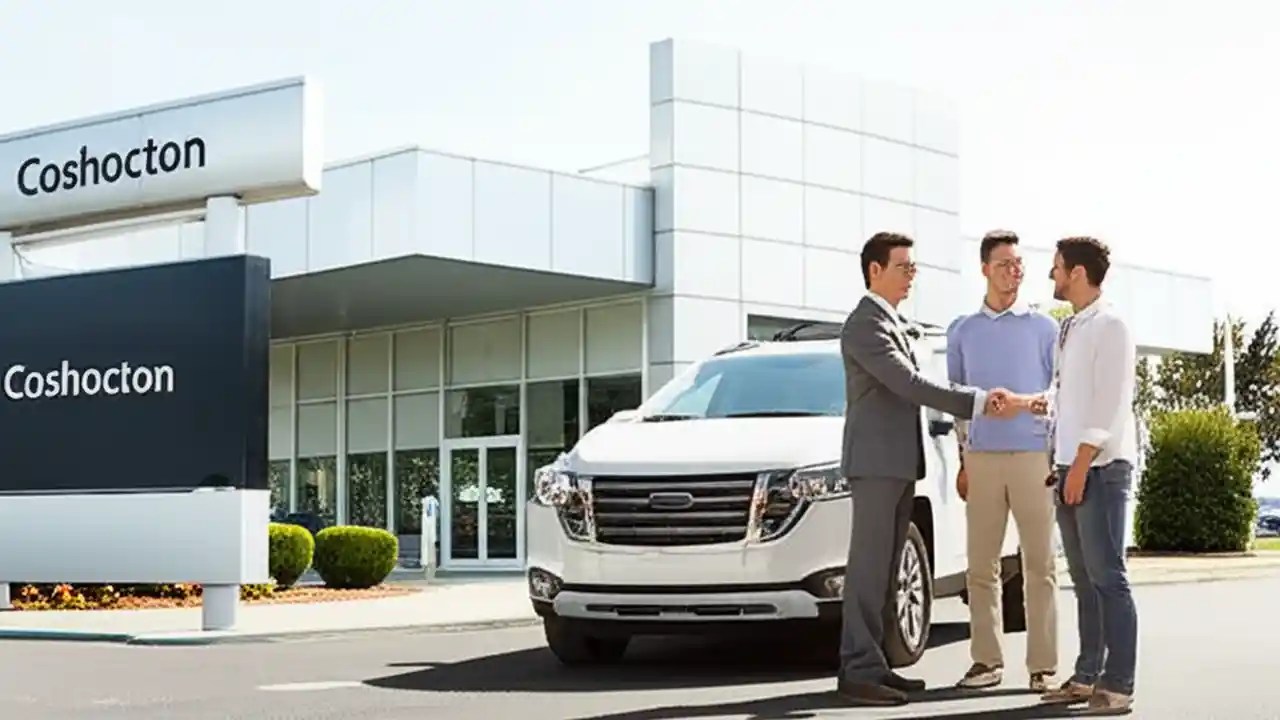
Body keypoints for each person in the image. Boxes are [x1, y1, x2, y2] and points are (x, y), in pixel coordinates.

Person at [836, 231, 1022, 707]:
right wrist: (977, 400)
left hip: (897, 465)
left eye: (914, 268)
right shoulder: (865, 325)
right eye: (904, 267)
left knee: (886, 572)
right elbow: (908, 382)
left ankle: (875, 665)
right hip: (876, 466)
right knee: (869, 569)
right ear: (875, 270)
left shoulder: (893, 321)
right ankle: (857, 670)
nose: (911, 276)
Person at [945, 230, 1061, 692]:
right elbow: (955, 401)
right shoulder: (962, 331)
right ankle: (986, 661)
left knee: (1040, 564)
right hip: (982, 459)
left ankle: (1043, 666)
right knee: (980, 566)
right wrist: (963, 461)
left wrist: (1021, 403)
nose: (1013, 272)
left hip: (1034, 457)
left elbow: (1058, 393)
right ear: (984, 269)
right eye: (1004, 264)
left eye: (1018, 265)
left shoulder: (1044, 329)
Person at [1031, 236, 1139, 714]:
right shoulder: (1070, 327)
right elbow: (1068, 398)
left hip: (1102, 468)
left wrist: (1079, 463)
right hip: (1070, 467)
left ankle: (1118, 684)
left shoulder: (1111, 325)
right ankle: (1087, 675)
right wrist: (1057, 453)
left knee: (1108, 577)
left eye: (1056, 268)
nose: (1051, 275)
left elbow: (1111, 404)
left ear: (1077, 272)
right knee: (1084, 578)